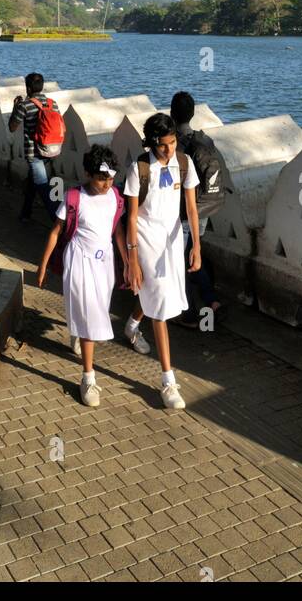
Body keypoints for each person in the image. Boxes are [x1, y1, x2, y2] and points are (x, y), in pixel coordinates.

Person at [36, 146, 129, 407]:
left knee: (97, 310)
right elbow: (56, 231)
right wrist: (42, 265)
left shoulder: (115, 197)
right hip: (79, 261)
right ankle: (88, 377)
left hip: (105, 263)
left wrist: (128, 262)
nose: (106, 184)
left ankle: (77, 333)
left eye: (110, 178)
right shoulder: (74, 197)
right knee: (91, 318)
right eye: (101, 178)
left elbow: (118, 232)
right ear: (88, 174)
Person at [123, 112, 201, 410]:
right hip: (145, 240)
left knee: (158, 295)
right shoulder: (139, 169)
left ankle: (131, 326)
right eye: (163, 146)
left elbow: (191, 208)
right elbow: (131, 215)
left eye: (173, 143)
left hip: (172, 241)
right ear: (153, 144)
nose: (169, 150)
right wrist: (132, 258)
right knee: (161, 309)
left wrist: (196, 245)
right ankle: (168, 381)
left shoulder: (184, 162)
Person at [169, 91, 226, 328]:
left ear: (172, 114)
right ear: (192, 114)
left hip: (183, 210)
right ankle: (212, 301)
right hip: (205, 208)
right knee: (194, 254)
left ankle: (189, 313)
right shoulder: (205, 140)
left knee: (180, 260)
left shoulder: (175, 145)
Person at [8, 72, 63, 223]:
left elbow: (12, 127)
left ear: (28, 88)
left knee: (43, 187)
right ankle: (25, 214)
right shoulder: (53, 103)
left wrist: (16, 107)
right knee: (33, 182)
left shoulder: (24, 106)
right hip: (52, 150)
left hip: (34, 154)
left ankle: (59, 224)